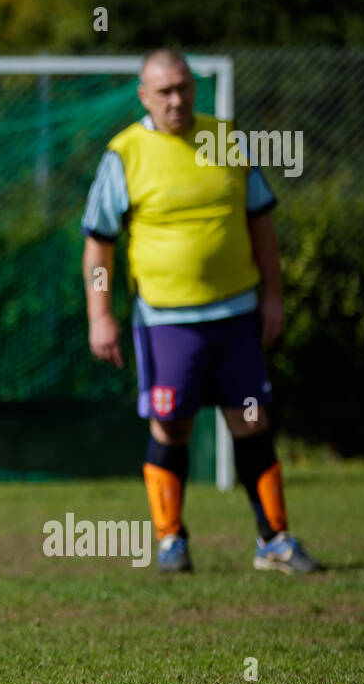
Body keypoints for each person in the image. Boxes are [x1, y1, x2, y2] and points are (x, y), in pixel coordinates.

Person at [80, 49, 321, 574]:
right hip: (166, 321)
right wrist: (100, 314)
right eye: (164, 91)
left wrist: (273, 297)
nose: (176, 99)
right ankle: (171, 541)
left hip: (236, 316)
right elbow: (99, 243)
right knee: (172, 426)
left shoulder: (228, 140)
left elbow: (261, 224)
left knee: (252, 422)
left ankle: (274, 541)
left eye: (183, 87)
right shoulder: (124, 154)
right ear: (144, 96)